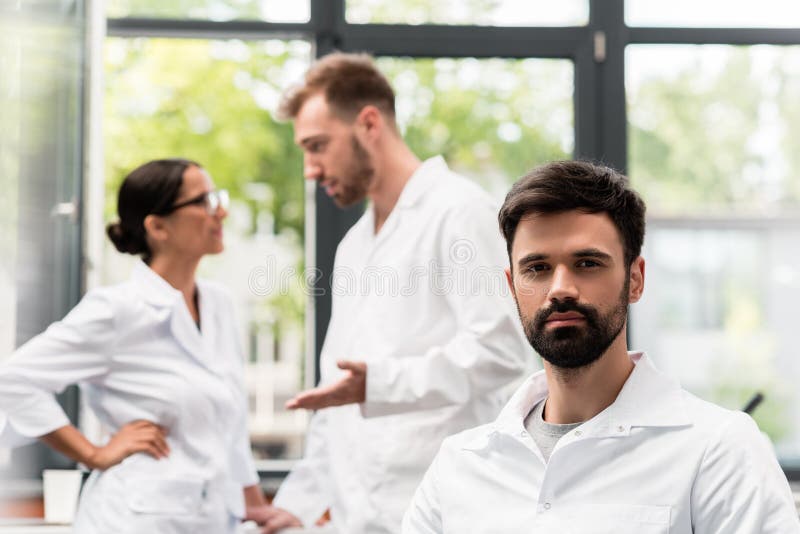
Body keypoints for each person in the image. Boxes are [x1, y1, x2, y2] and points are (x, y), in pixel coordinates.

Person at [402, 160, 800, 533]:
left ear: (636, 279)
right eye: (537, 268)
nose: (560, 289)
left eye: (587, 263)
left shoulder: (720, 449)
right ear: (512, 287)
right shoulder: (459, 465)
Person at [247, 53, 530, 534]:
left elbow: (501, 351)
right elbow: (336, 399)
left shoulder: (458, 213)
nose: (310, 170)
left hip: (445, 509)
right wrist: (298, 502)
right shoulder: (354, 245)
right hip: (360, 518)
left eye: (318, 146)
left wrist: (379, 385)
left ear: (369, 123)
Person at [0, 159, 273, 533]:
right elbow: (14, 380)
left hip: (209, 518)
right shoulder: (117, 310)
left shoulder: (219, 304)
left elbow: (232, 422)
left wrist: (254, 504)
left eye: (217, 198)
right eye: (204, 201)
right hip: (134, 519)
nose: (221, 210)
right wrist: (93, 454)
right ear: (158, 226)